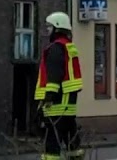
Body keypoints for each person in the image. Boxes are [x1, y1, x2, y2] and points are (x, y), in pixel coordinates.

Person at [35, 12, 84, 160]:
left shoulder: (56, 48)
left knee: (53, 137)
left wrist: (48, 97)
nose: (47, 30)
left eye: (49, 27)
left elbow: (54, 74)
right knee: (70, 135)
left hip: (57, 101)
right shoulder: (68, 46)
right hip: (68, 100)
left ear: (57, 27)